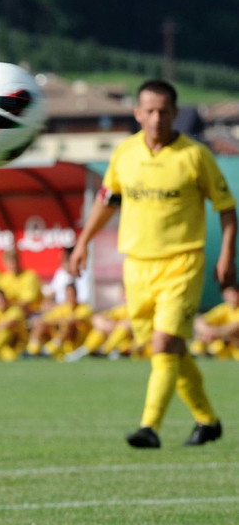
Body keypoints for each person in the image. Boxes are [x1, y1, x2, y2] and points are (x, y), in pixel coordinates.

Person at [70, 79, 235, 448]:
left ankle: (150, 427)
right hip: (138, 265)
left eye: (163, 111)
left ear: (175, 114)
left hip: (182, 261)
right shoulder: (124, 154)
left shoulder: (195, 155)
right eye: (149, 110)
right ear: (137, 113)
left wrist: (225, 254)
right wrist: (82, 243)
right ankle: (208, 421)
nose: (156, 117)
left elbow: (227, 209)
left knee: (163, 344)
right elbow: (106, 201)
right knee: (167, 350)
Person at [25, 282, 93, 359]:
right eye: (68, 294)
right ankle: (32, 350)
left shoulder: (84, 308)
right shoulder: (62, 308)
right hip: (61, 343)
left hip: (76, 345)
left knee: (68, 325)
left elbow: (73, 320)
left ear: (76, 294)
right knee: (41, 324)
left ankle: (50, 349)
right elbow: (46, 319)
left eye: (72, 294)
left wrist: (57, 321)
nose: (70, 297)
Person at [64, 304, 134, 362]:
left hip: (131, 346)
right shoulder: (120, 309)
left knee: (123, 326)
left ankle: (106, 350)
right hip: (112, 339)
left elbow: (131, 324)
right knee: (100, 330)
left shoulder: (134, 309)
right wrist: (109, 324)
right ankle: (85, 351)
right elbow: (103, 317)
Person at [192, 285, 239, 360]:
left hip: (235, 351)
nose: (232, 297)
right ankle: (198, 352)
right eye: (228, 294)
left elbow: (235, 327)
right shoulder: (223, 308)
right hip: (222, 353)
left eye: (234, 293)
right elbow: (199, 321)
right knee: (202, 334)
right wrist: (207, 332)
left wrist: (215, 333)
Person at [0, 249, 43, 315]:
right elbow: (0, 299)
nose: (12, 265)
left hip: (32, 312)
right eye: (9, 262)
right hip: (12, 312)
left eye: (14, 261)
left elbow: (26, 303)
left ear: (19, 261)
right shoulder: (4, 279)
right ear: (4, 264)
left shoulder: (30, 276)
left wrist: (8, 304)